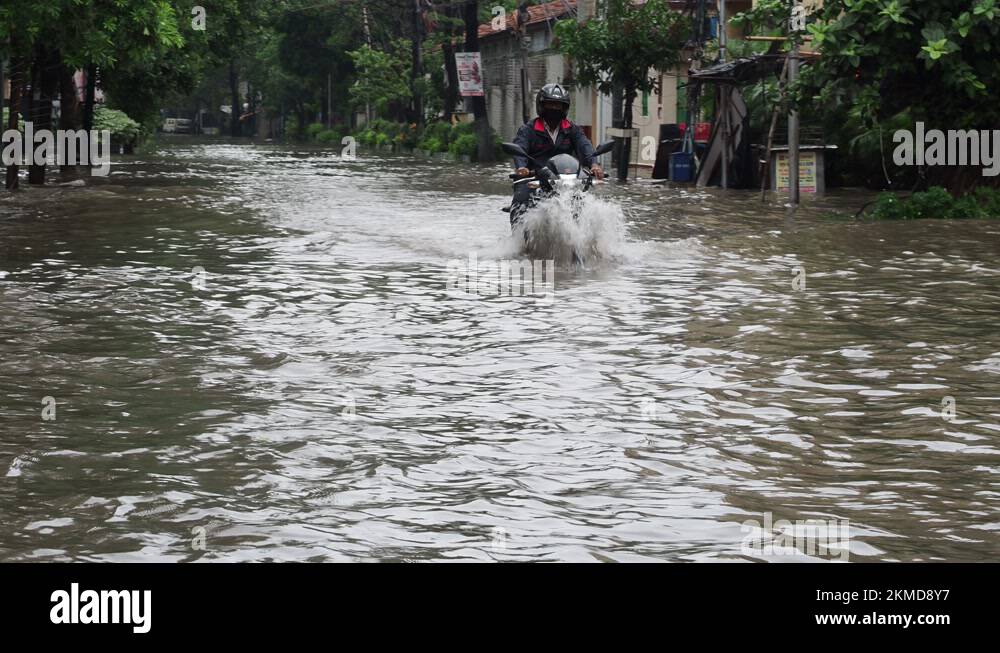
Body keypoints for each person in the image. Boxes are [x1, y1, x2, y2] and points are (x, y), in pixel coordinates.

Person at [509, 83, 604, 225]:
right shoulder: (528, 129)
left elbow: (585, 146)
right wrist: (522, 167)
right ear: (541, 106)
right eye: (550, 104)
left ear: (564, 108)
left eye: (558, 105)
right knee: (520, 199)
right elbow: (519, 149)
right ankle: (520, 241)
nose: (554, 109)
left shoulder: (572, 129)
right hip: (534, 178)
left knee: (589, 200)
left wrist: (594, 164)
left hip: (565, 181)